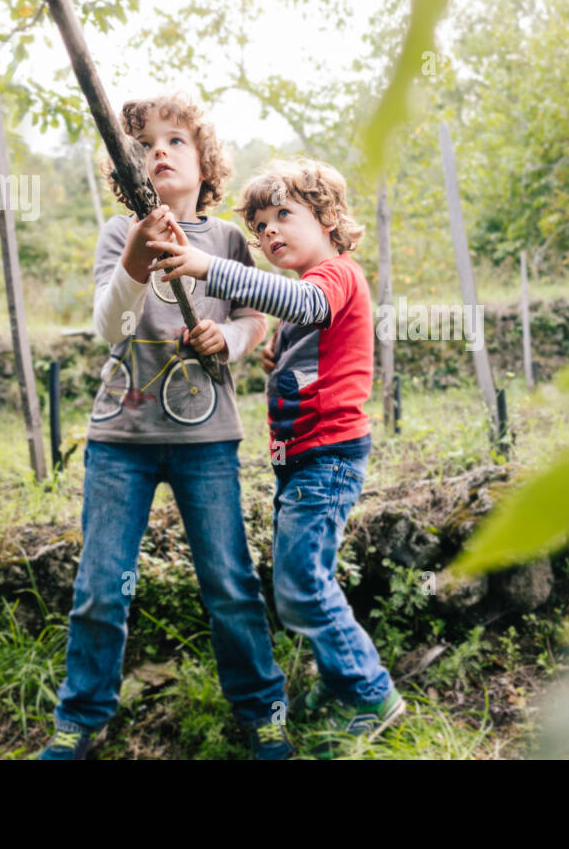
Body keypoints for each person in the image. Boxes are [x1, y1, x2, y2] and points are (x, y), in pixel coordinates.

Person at [39, 94, 294, 760]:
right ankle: (81, 719)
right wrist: (133, 260)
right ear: (129, 170)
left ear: (206, 165)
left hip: (205, 439)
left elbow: (253, 320)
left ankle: (262, 712)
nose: (159, 150)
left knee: (229, 583)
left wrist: (228, 340)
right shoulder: (118, 235)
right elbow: (109, 328)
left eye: (176, 140)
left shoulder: (227, 242)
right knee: (100, 585)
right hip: (119, 440)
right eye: (146, 144)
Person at [147, 157, 405, 749]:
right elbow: (305, 335)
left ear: (330, 221)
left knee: (301, 585)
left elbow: (304, 305)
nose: (270, 233)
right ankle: (342, 679)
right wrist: (275, 359)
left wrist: (209, 266)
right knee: (299, 583)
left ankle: (369, 689)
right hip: (300, 461)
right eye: (260, 225)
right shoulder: (304, 298)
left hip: (328, 456)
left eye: (285, 215)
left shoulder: (336, 276)